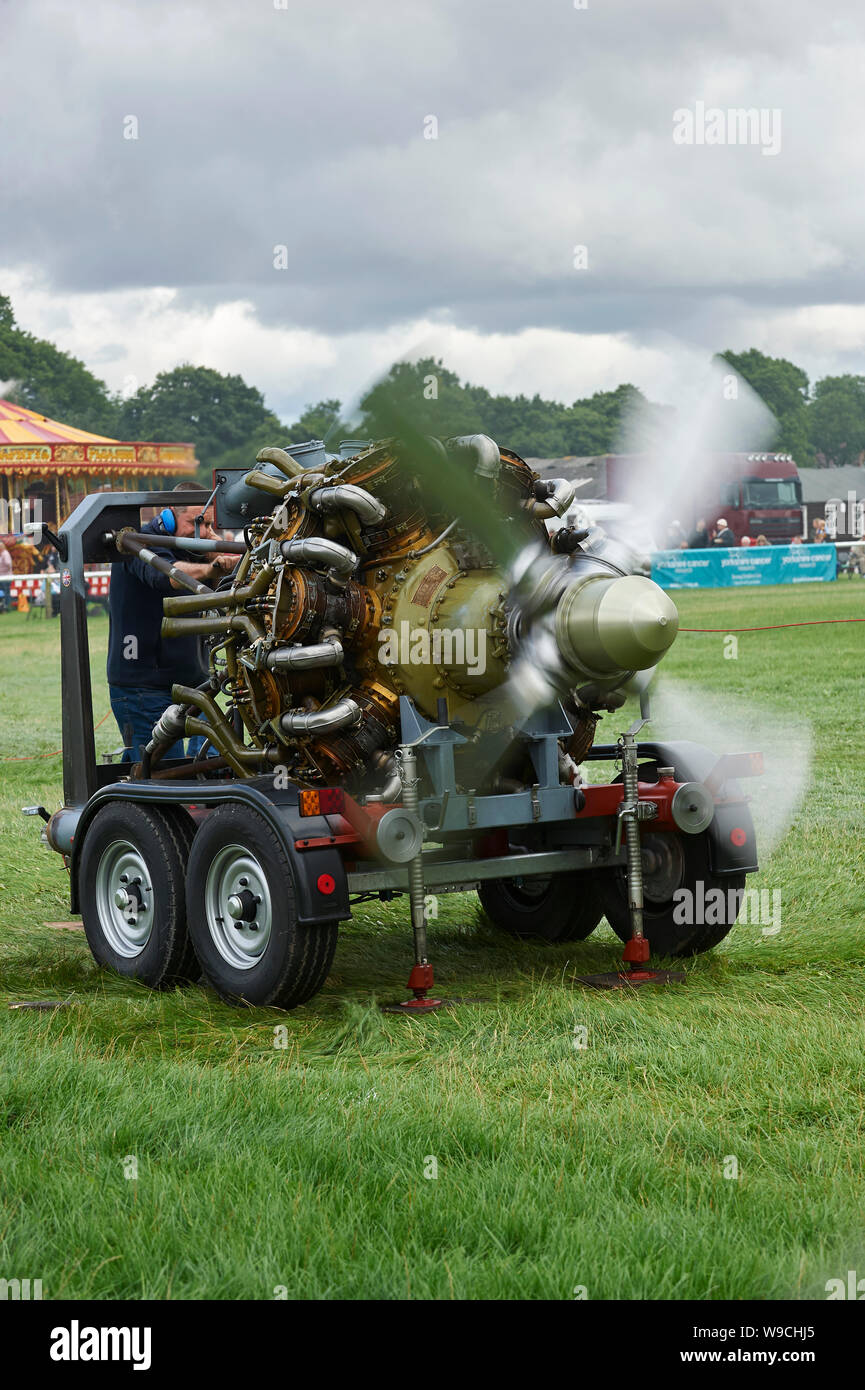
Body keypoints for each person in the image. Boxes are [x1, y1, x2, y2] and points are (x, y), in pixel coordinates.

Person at [107, 488, 236, 761]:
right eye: (196, 523)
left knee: (217, 757)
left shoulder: (195, 545)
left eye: (209, 524)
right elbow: (167, 576)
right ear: (167, 517)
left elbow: (229, 579)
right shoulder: (138, 542)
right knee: (164, 771)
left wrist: (216, 550)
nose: (203, 531)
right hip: (144, 687)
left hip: (193, 682)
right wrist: (213, 566)